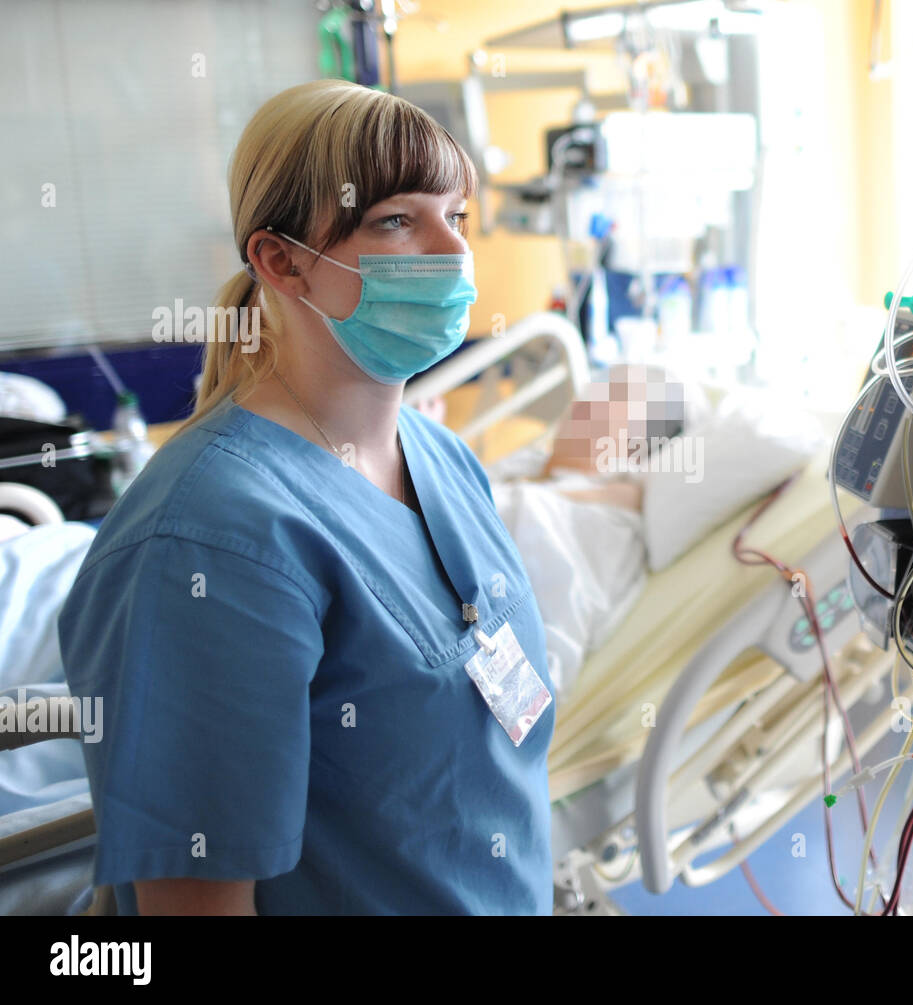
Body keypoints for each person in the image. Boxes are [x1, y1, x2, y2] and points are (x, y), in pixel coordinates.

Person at [57, 79, 555, 916]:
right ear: (281, 260)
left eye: (456, 215)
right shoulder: (208, 544)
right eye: (397, 219)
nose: (454, 250)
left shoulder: (440, 457)